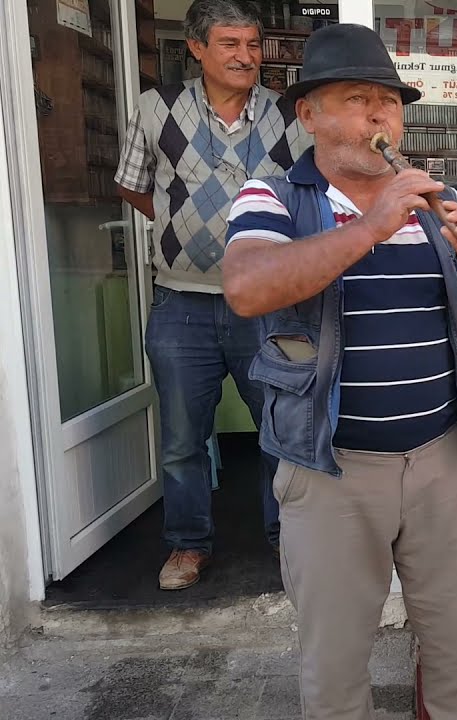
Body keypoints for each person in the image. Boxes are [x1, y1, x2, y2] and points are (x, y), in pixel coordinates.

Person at [220, 23, 457, 720]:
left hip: (442, 465)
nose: (380, 116)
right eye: (357, 98)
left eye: (390, 103)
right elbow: (247, 288)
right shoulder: (273, 198)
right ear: (308, 113)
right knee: (336, 675)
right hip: (332, 475)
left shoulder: (439, 204)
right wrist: (371, 225)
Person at [114, 0, 311, 590]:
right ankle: (187, 545)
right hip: (182, 303)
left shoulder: (285, 115)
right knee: (181, 438)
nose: (245, 56)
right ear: (197, 48)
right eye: (230, 44)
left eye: (252, 45)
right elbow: (133, 185)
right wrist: (180, 227)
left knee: (279, 429)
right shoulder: (158, 109)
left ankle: (288, 544)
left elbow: (306, 192)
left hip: (265, 303)